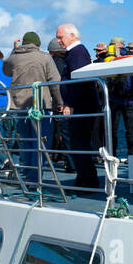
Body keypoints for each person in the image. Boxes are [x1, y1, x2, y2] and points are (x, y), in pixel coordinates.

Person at [3, 32, 63, 184]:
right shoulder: (44, 57)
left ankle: (29, 173)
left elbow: (6, 71)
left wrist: (13, 50)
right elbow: (55, 82)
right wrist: (59, 103)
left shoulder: (14, 57)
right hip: (41, 105)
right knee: (41, 142)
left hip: (19, 105)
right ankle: (35, 178)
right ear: (37, 44)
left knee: (26, 140)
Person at [56, 23, 101, 190]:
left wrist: (70, 105)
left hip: (82, 108)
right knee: (77, 145)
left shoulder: (77, 53)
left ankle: (89, 182)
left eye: (61, 37)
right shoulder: (73, 54)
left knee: (79, 144)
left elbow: (79, 83)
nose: (58, 40)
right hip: (80, 107)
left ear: (72, 35)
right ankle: (83, 179)